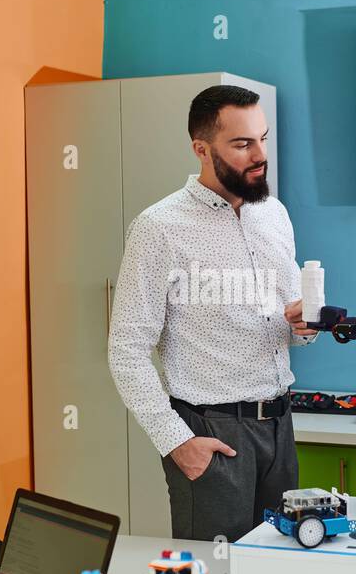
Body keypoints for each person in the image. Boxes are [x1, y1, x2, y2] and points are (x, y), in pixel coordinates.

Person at [108, 85, 316, 543]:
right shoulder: (158, 228)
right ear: (201, 149)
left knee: (280, 572)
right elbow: (126, 351)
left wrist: (304, 325)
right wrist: (177, 442)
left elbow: (291, 327)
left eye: (262, 139)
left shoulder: (275, 215)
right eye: (242, 144)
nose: (259, 154)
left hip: (280, 427)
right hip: (211, 434)